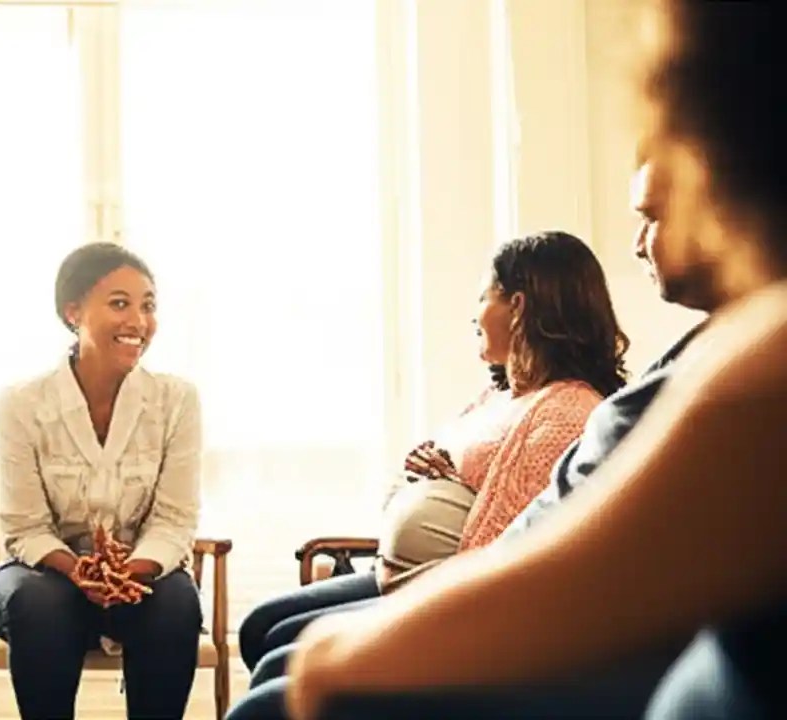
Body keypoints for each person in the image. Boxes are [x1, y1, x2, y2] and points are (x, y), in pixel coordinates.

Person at [280, 2, 787, 718]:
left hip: (535, 630)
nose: (642, 239)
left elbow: (564, 571)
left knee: (296, 673)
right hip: (498, 606)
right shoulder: (727, 353)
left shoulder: (757, 375)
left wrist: (353, 644)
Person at [225, 158, 711, 719]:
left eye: (651, 216)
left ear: (519, 306)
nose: (637, 243)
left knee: (273, 684)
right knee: (270, 639)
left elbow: (522, 554)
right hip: (436, 583)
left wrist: (403, 635)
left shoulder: (577, 407)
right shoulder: (508, 394)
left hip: (495, 611)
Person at [239, 230, 628, 674]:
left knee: (279, 652)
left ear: (518, 307)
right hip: (400, 576)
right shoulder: (496, 397)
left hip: (449, 597)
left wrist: (449, 486)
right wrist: (427, 478)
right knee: (259, 626)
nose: (474, 315)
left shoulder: (566, 410)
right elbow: (424, 482)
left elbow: (508, 556)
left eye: (484, 295)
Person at [0, 242, 203, 720]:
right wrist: (77, 569)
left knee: (176, 605)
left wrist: (130, 572)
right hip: (45, 573)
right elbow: (25, 528)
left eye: (148, 306)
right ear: (73, 311)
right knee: (38, 603)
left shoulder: (177, 400)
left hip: (140, 573)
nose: (139, 322)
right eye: (120, 304)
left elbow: (174, 520)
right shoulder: (21, 403)